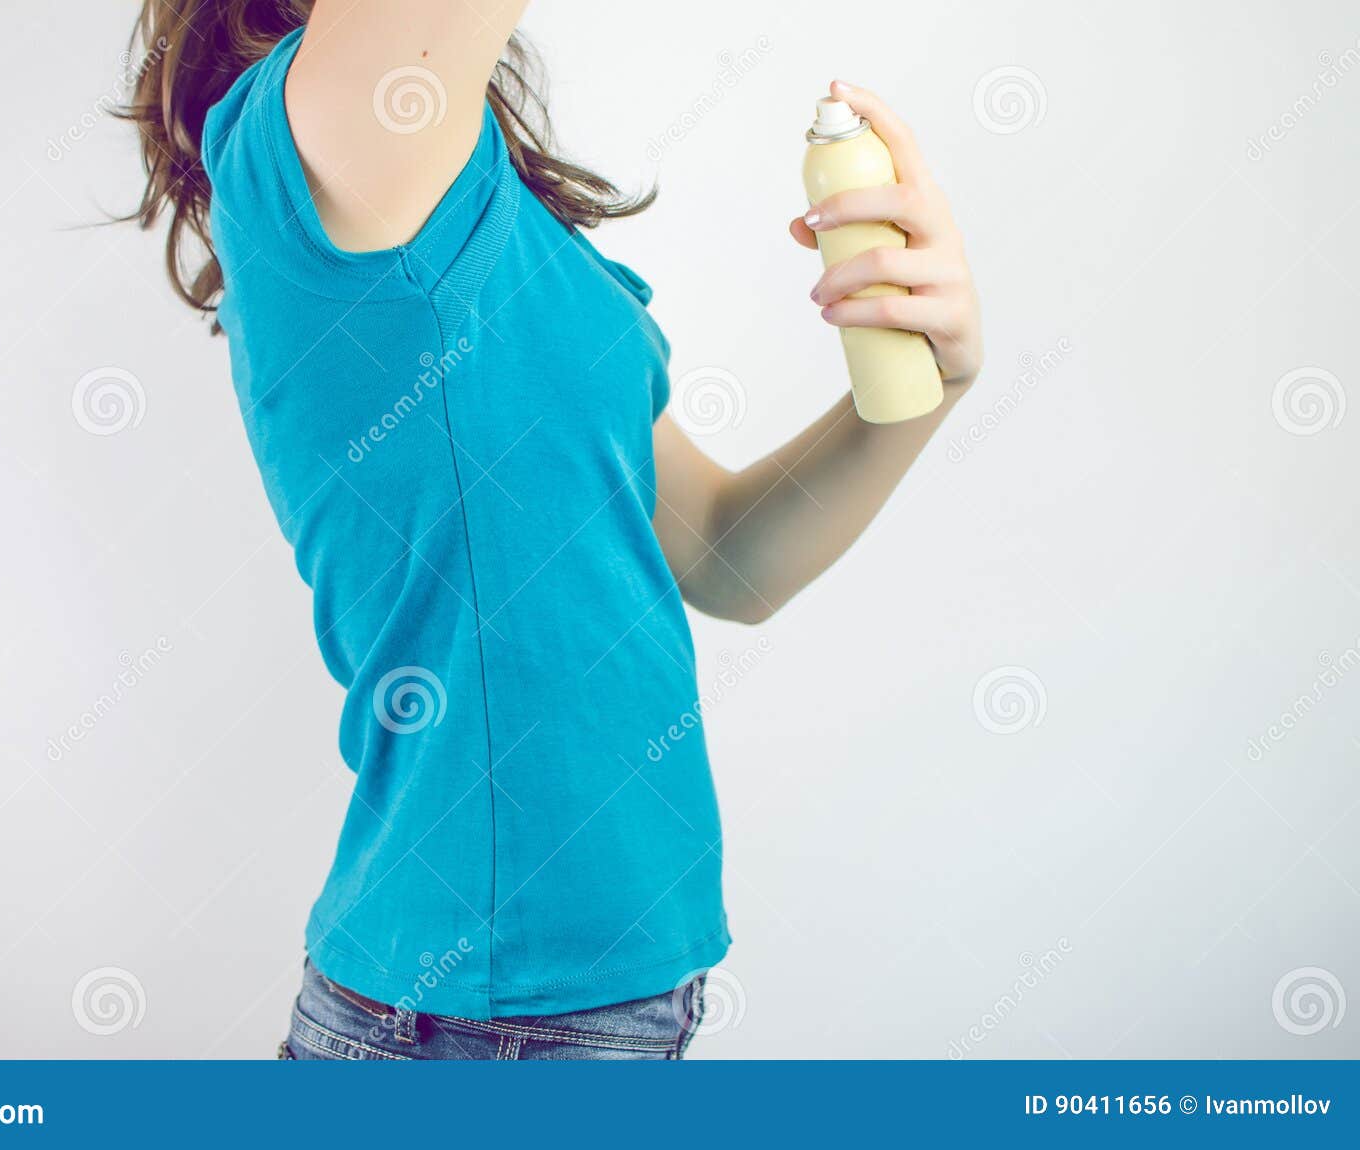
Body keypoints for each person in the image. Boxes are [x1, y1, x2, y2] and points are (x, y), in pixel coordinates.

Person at [123, 0, 981, 1060]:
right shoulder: (328, 126)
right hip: (478, 1025)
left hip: (585, 1007)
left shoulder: (484, 225)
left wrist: (923, 385)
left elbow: (719, 550)